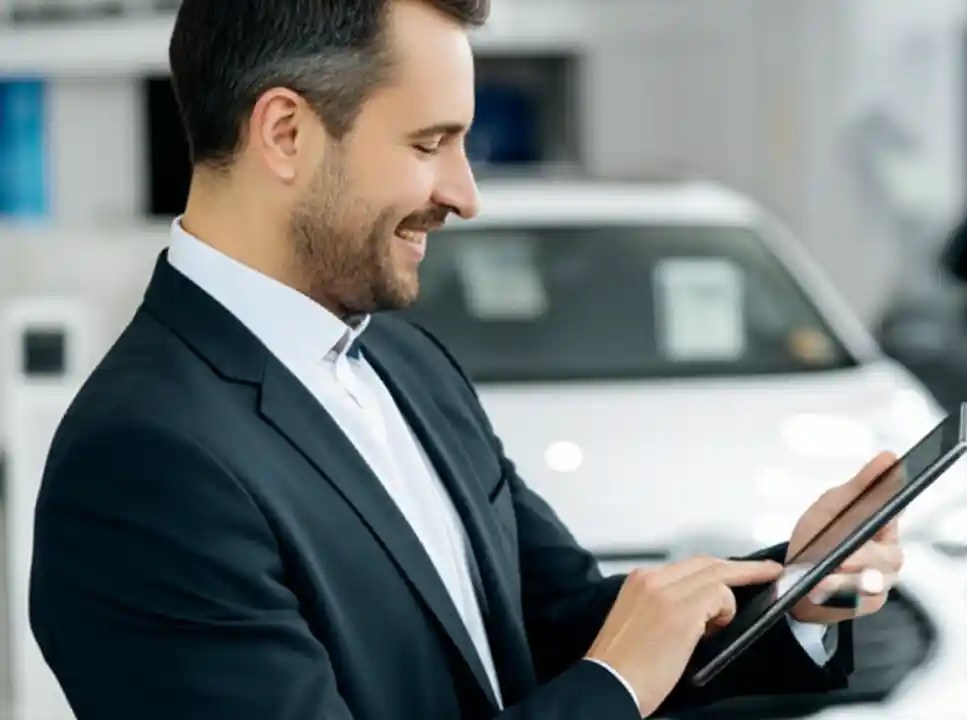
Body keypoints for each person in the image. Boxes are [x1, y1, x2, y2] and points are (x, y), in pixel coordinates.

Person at [27, 1, 905, 718]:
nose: (465, 193)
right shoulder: (143, 463)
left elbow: (558, 621)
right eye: (427, 144)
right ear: (286, 133)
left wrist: (792, 588)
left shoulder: (411, 367)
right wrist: (613, 690)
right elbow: (606, 668)